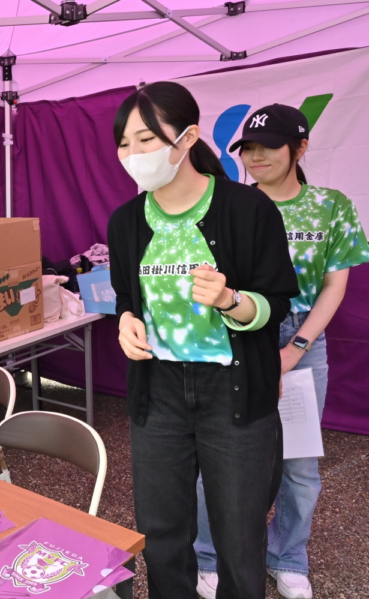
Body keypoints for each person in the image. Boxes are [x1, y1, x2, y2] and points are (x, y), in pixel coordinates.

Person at [107, 81, 299, 599]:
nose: (134, 154)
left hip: (232, 394)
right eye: (125, 143)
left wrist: (230, 300)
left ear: (188, 137)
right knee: (163, 532)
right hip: (159, 391)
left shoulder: (247, 210)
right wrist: (126, 319)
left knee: (240, 535)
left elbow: (276, 301)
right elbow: (128, 298)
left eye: (147, 139)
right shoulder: (125, 221)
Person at [194, 104, 369, 599]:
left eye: (268, 146)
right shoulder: (226, 203)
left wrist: (295, 347)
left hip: (301, 337)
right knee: (219, 455)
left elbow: (336, 286)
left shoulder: (330, 206)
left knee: (297, 464)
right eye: (247, 147)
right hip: (235, 336)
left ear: (301, 147)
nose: (255, 156)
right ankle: (209, 555)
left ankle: (287, 555)